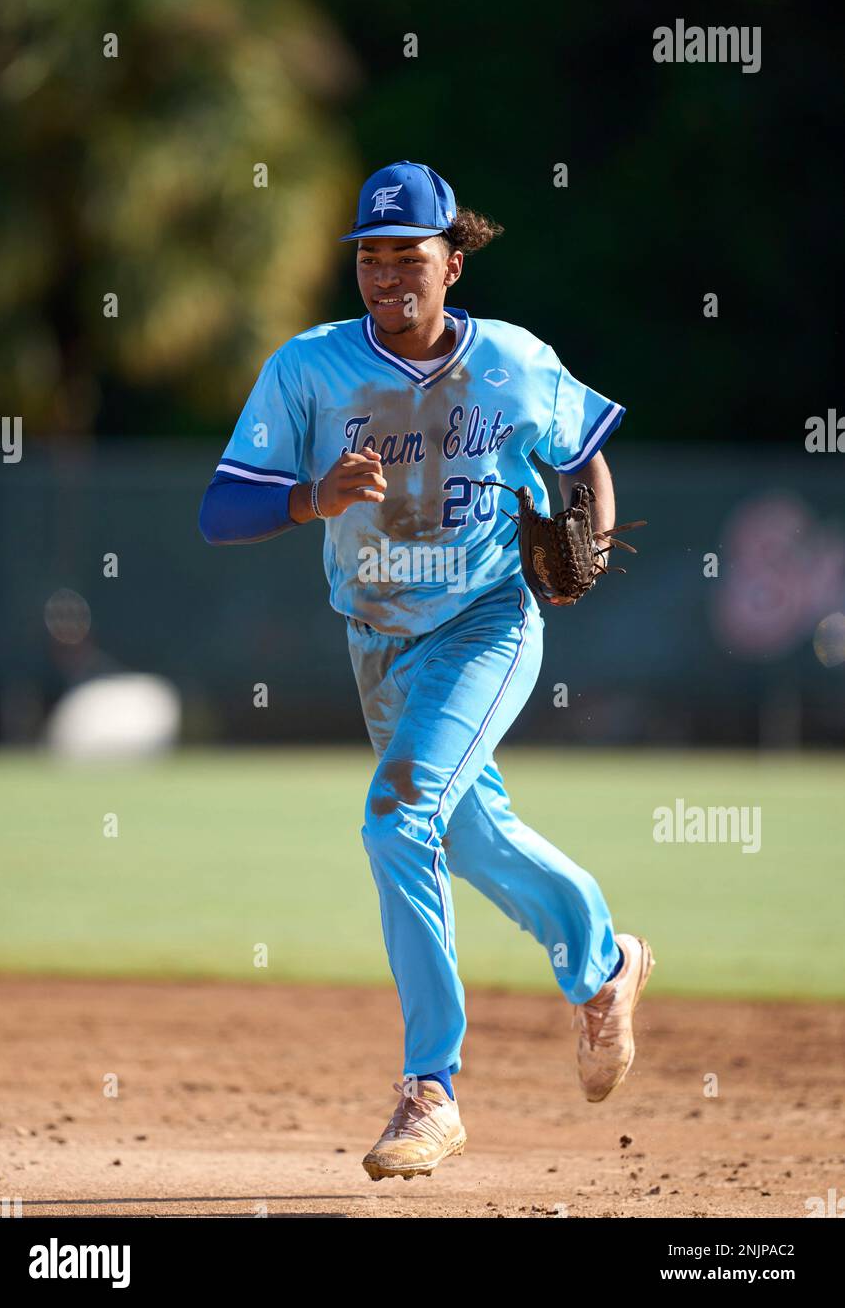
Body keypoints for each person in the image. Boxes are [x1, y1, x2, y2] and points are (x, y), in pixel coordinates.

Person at [199, 160, 654, 1182]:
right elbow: (221, 508)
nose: (387, 274)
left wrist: (590, 547)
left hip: (487, 622)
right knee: (467, 829)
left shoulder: (511, 361)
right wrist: (310, 500)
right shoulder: (309, 369)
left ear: (453, 261)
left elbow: (582, 457)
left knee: (396, 815)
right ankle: (601, 966)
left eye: (409, 255)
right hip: (376, 643)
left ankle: (430, 1088)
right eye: (370, 256)